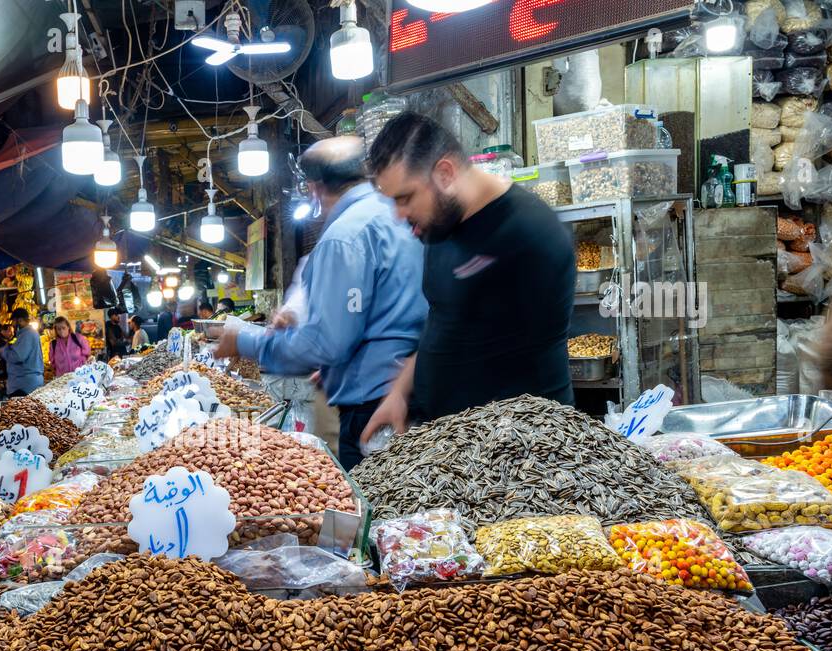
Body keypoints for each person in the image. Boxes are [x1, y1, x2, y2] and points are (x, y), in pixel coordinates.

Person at [359, 113, 575, 447]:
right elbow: (444, 321)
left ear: (445, 173)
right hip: (454, 450)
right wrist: (400, 392)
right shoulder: (442, 227)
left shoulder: (530, 231)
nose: (398, 215)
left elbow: (537, 365)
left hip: (517, 456)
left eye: (405, 198)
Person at [215, 135, 428, 471]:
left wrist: (243, 340)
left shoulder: (345, 235)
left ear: (313, 189)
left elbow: (326, 343)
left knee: (377, 514)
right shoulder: (397, 213)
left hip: (376, 410)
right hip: (412, 394)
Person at [0, 307, 45, 395]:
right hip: (25, 384)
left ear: (19, 320)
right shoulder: (27, 334)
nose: (12, 324)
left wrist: (4, 351)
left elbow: (18, 357)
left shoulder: (27, 335)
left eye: (13, 321)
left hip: (24, 386)